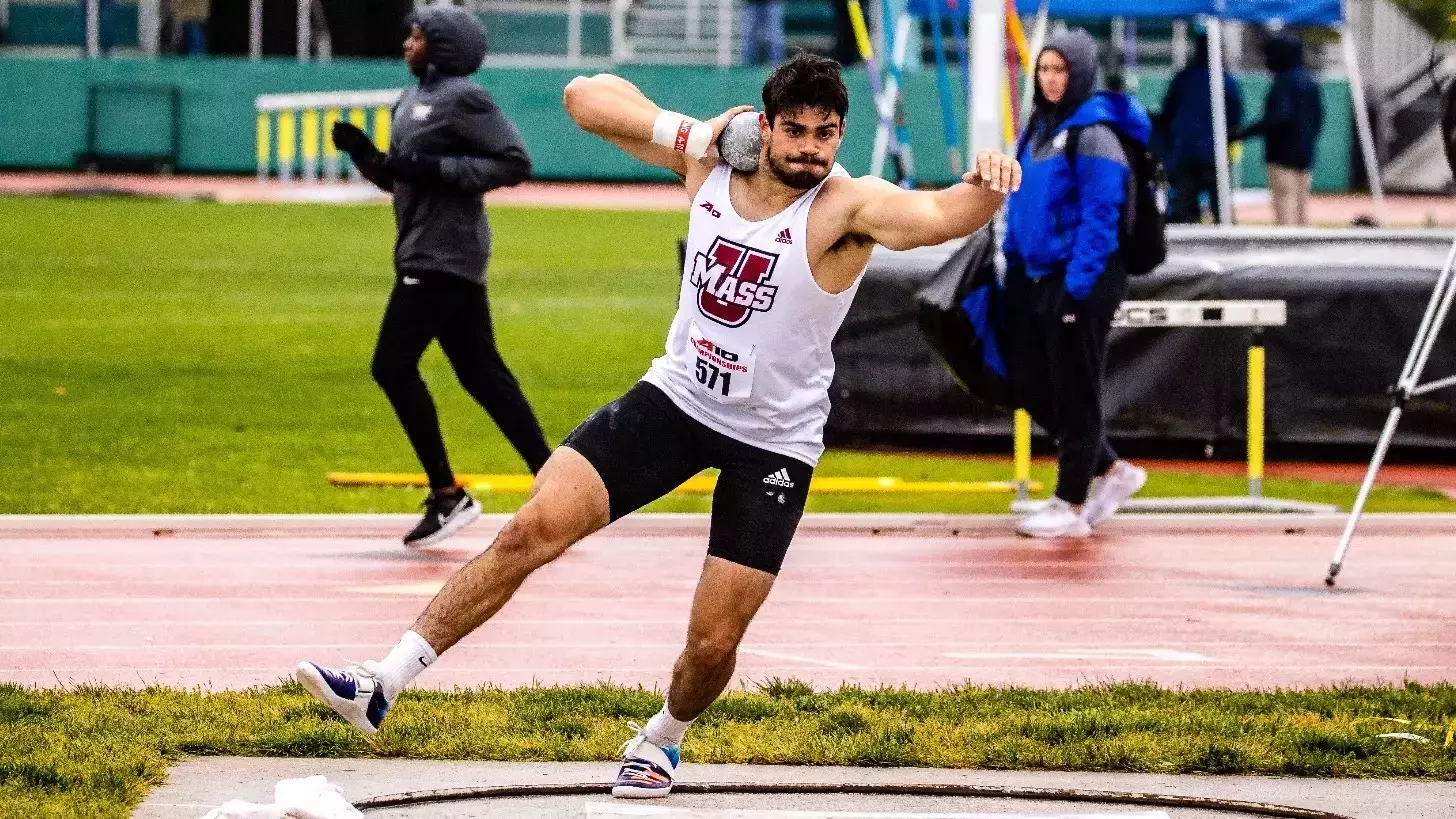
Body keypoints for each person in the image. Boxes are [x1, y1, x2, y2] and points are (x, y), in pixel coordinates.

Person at [296, 52, 1018, 798]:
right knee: (530, 528)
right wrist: (698, 132)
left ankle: (663, 736)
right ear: (762, 126)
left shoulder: (845, 208)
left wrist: (986, 185)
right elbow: (583, 96)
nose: (810, 149)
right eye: (794, 130)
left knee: (713, 641)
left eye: (826, 133)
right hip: (675, 400)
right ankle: (381, 681)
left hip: (771, 441)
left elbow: (937, 218)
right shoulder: (709, 167)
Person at [329, 5, 552, 548]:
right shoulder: (411, 101)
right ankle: (560, 485)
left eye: (417, 35)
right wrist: (364, 154)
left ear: (443, 45)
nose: (407, 43)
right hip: (421, 250)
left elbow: (514, 162)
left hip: (445, 256)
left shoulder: (464, 99)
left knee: (392, 366)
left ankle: (448, 494)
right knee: (482, 375)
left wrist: (436, 169)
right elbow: (401, 179)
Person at [1002, 29, 1149, 539]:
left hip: (1084, 277)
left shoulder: (1094, 133)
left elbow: (1100, 214)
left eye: (1060, 70)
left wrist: (1079, 286)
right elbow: (1023, 200)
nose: (1050, 79)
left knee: (1075, 386)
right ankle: (1113, 469)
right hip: (1040, 273)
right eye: (1044, 70)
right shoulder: (1040, 128)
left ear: (1081, 73)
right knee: (1030, 379)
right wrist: (1013, 261)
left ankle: (1070, 502)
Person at [1155, 31, 1243, 224]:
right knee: (1220, 210)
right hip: (1213, 152)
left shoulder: (1184, 78)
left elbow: (1167, 112)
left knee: (1185, 209)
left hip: (1186, 151)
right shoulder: (1226, 80)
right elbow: (1235, 117)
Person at [1237, 30, 1323, 226]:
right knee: (1301, 214)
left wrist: (1242, 134)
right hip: (1304, 157)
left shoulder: (1284, 82)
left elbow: (1278, 117)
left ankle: (1290, 256)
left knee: (1285, 214)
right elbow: (1318, 119)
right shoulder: (1310, 81)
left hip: (1282, 158)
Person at [741, 0, 787, 66]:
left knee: (774, 37)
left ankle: (777, 66)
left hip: (772, 4)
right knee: (749, 39)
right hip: (751, 4)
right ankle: (748, 66)